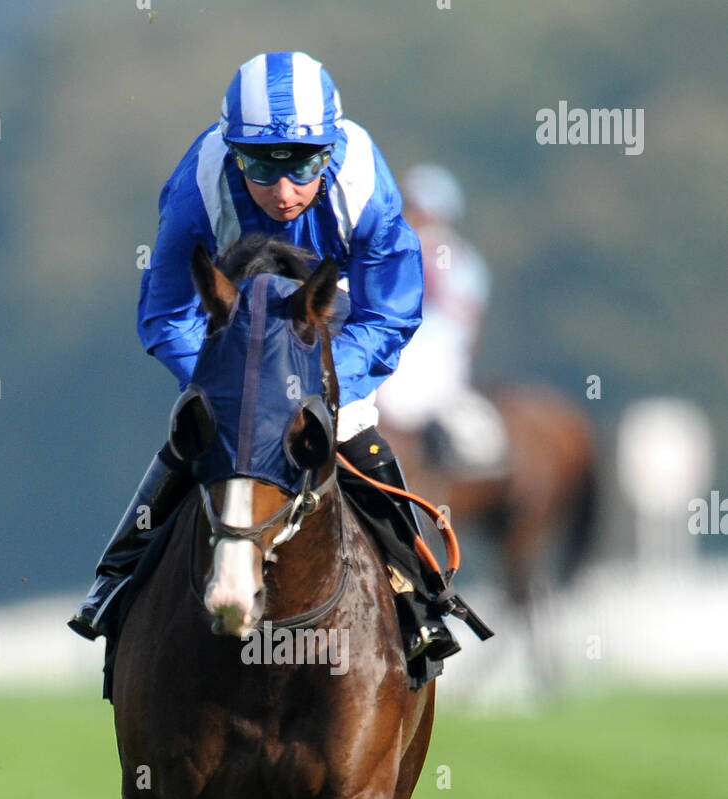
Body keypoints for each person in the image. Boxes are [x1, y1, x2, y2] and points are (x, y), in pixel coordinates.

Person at [69, 52, 458, 667]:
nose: (284, 191)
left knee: (357, 432)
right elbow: (166, 314)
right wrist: (226, 385)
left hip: (329, 339)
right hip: (232, 350)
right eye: (261, 167)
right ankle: (115, 578)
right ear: (233, 154)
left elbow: (391, 314)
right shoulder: (197, 191)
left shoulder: (367, 189)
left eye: (303, 166)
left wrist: (325, 384)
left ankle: (420, 601)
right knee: (191, 436)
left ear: (327, 153)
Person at [377, 163, 508, 477]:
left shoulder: (419, 246)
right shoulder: (466, 256)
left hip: (418, 359)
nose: (406, 211)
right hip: (444, 360)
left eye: (412, 205)